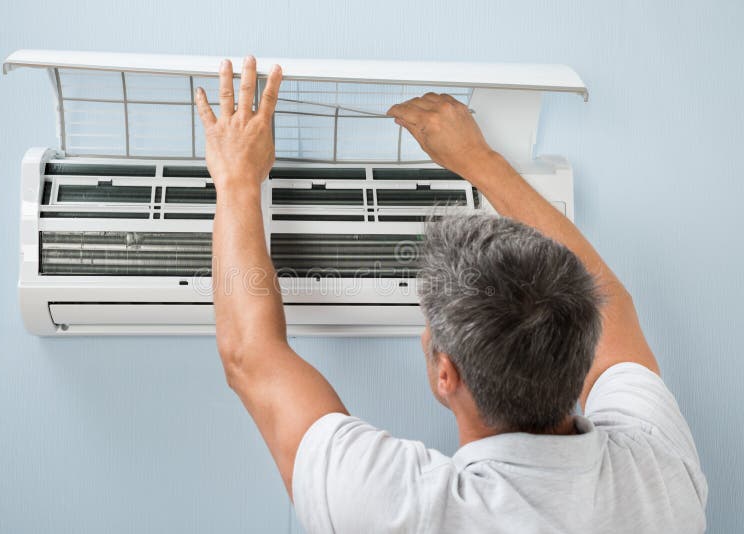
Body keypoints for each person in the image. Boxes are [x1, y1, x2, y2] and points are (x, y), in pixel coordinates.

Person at [194, 56, 707, 533]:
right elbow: (610, 307)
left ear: (446, 374)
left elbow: (251, 354)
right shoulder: (661, 472)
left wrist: (238, 182)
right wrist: (481, 160)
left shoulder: (399, 507)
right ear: (579, 347)